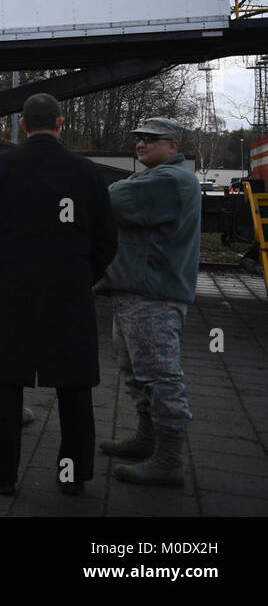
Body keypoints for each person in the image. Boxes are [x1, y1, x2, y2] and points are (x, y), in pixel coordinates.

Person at [0, 94, 117, 497]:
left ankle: (0, 473)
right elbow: (106, 237)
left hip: (12, 287)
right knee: (74, 383)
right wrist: (84, 275)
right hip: (69, 289)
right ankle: (73, 475)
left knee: (5, 380)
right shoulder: (86, 172)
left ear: (22, 124)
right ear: (61, 123)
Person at [96, 117, 201, 487]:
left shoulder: (171, 180)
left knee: (160, 376)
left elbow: (110, 199)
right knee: (136, 373)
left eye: (151, 139)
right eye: (139, 138)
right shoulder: (156, 177)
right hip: (136, 293)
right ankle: (147, 440)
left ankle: (169, 461)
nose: (141, 144)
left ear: (173, 146)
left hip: (153, 296)